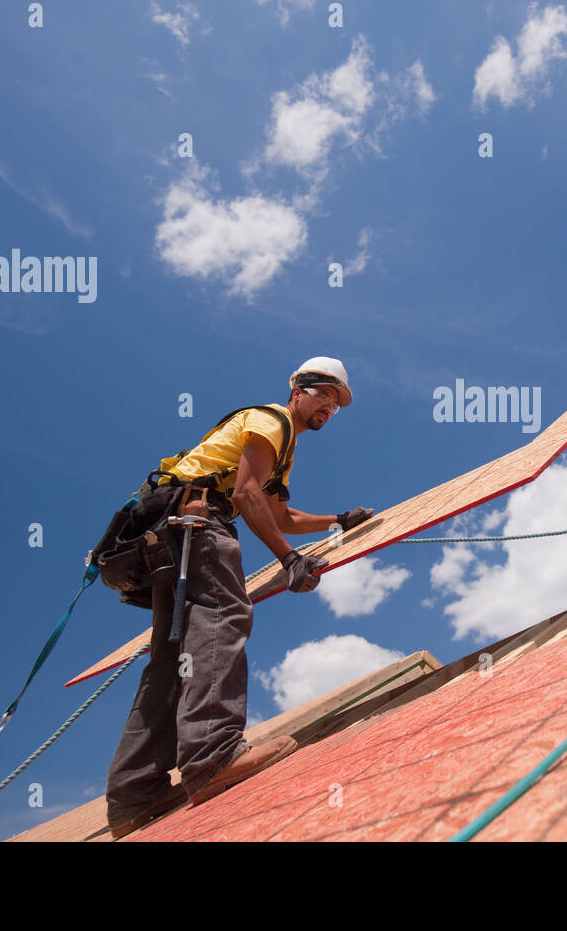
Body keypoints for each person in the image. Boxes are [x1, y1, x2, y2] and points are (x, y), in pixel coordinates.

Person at [104, 357, 373, 837]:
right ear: (299, 390)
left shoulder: (279, 448)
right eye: (325, 395)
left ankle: (133, 795)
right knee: (223, 615)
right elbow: (247, 495)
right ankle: (211, 755)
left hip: (170, 533)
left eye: (337, 404)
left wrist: (336, 519)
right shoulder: (271, 421)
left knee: (170, 655)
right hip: (199, 524)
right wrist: (291, 560)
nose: (330, 407)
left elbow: (281, 514)